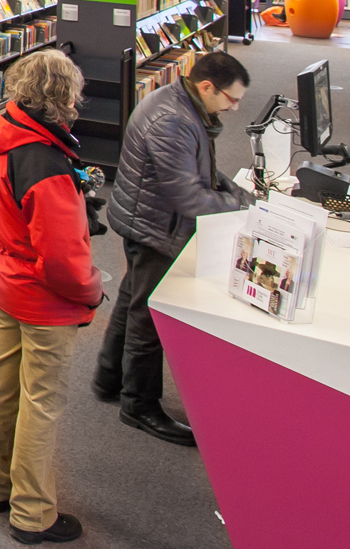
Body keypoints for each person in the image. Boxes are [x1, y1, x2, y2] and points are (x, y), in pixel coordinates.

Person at [0, 49, 104, 545]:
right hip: (41, 295)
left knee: (1, 381)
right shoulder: (45, 164)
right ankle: (32, 511)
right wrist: (93, 290)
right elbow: (64, 261)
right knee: (41, 401)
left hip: (3, 276)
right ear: (66, 97)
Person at [98, 51, 252, 445]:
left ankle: (108, 376)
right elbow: (192, 199)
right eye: (231, 99)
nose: (233, 108)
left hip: (147, 217)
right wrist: (239, 205)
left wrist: (229, 188)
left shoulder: (182, 104)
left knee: (132, 297)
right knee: (148, 317)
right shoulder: (173, 121)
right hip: (155, 226)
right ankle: (139, 405)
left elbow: (193, 167)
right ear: (206, 87)